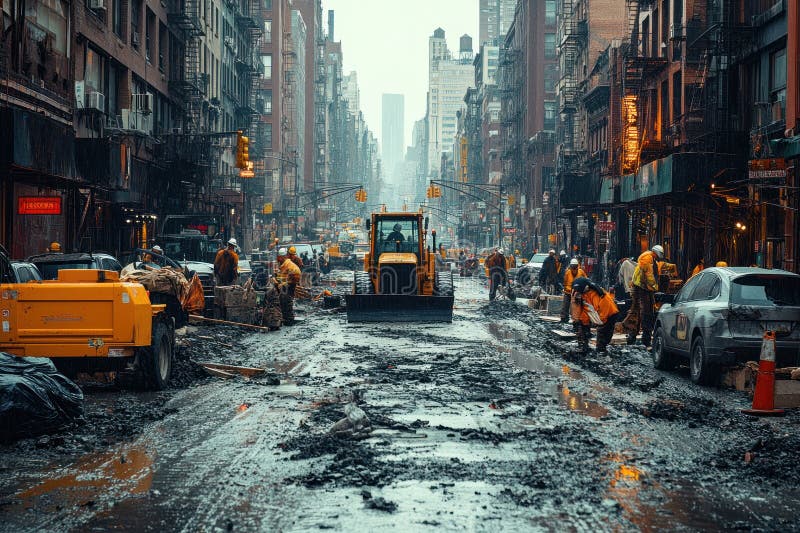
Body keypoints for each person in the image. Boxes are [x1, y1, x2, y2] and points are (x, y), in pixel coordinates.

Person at [622, 245, 664, 347]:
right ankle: (645, 338)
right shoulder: (647, 258)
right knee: (646, 312)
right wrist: (654, 287)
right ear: (657, 252)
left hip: (643, 288)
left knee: (638, 311)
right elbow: (649, 275)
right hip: (643, 288)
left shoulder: (651, 258)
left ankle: (633, 336)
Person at [570, 277, 620, 353]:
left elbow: (604, 311)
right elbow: (586, 310)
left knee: (603, 335)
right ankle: (584, 346)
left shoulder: (598, 295)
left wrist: (599, 323)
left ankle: (601, 351)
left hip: (610, 315)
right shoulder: (585, 294)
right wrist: (584, 324)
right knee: (582, 324)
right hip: (600, 314)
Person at [276, 251, 301, 326]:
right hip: (287, 284)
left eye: (279, 257)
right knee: (284, 300)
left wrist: (285, 283)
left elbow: (295, 273)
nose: (278, 259)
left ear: (283, 257)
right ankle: (286, 318)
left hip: (289, 285)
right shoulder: (284, 264)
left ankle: (289, 319)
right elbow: (282, 275)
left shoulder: (289, 265)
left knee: (286, 300)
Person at [561, 258, 587, 322]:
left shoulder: (581, 272)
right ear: (570, 266)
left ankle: (577, 319)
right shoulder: (568, 272)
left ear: (577, 266)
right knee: (565, 305)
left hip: (577, 293)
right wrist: (566, 288)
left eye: (575, 266)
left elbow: (586, 280)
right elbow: (565, 282)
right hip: (568, 292)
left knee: (577, 307)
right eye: (573, 266)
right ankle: (564, 318)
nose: (574, 268)